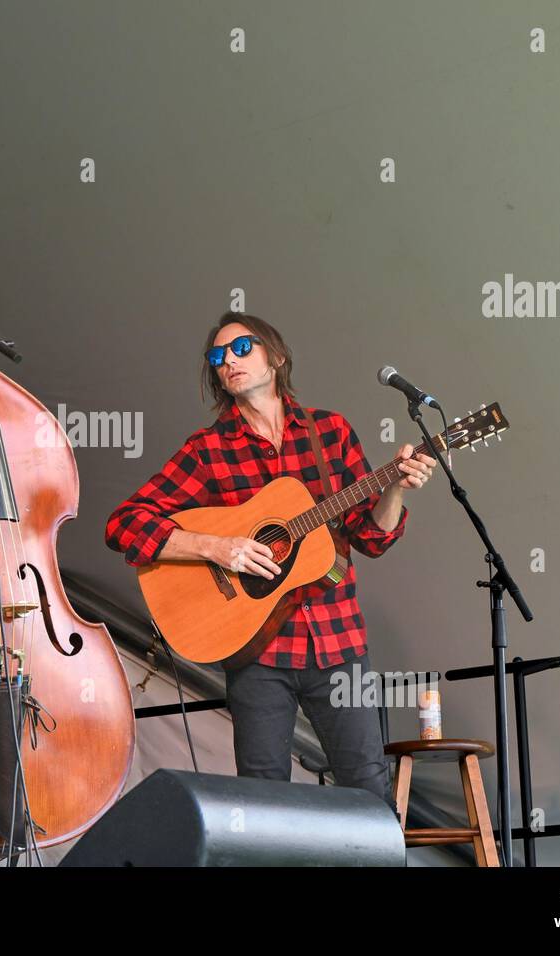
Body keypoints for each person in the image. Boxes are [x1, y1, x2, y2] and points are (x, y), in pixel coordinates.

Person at [104, 312, 436, 811]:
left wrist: (394, 487)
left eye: (242, 348)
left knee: (368, 788)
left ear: (276, 357)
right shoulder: (208, 450)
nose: (228, 362)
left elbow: (372, 537)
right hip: (258, 654)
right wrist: (217, 548)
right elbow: (124, 524)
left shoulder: (330, 433)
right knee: (263, 799)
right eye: (218, 357)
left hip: (338, 639)